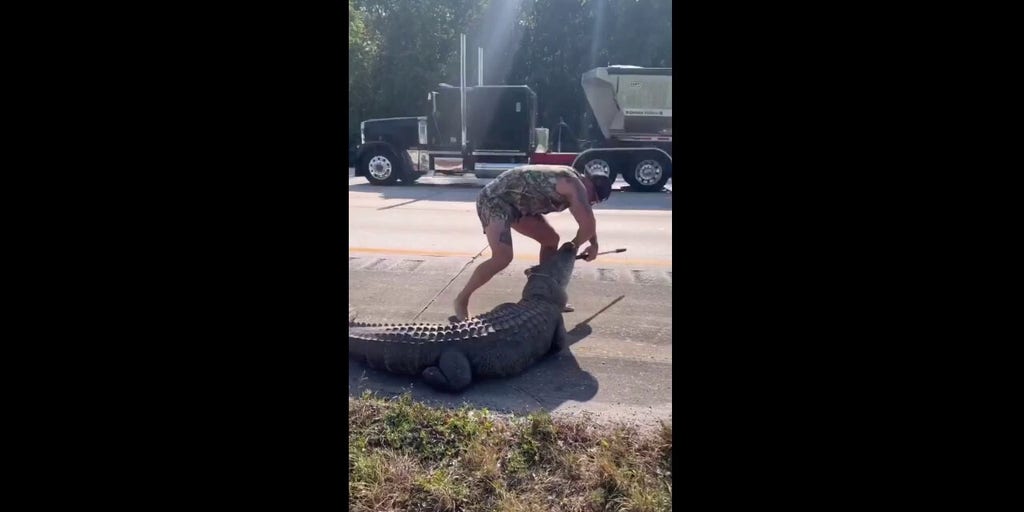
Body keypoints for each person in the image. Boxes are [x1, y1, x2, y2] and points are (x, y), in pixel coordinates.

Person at [452, 164, 613, 321]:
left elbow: (587, 220)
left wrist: (594, 243)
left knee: (550, 240)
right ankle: (461, 299)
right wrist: (571, 249)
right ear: (589, 184)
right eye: (593, 199)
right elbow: (588, 224)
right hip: (495, 200)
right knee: (503, 257)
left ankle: (546, 295)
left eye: (594, 202)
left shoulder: (578, 187)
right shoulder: (572, 184)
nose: (590, 203)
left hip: (519, 207)